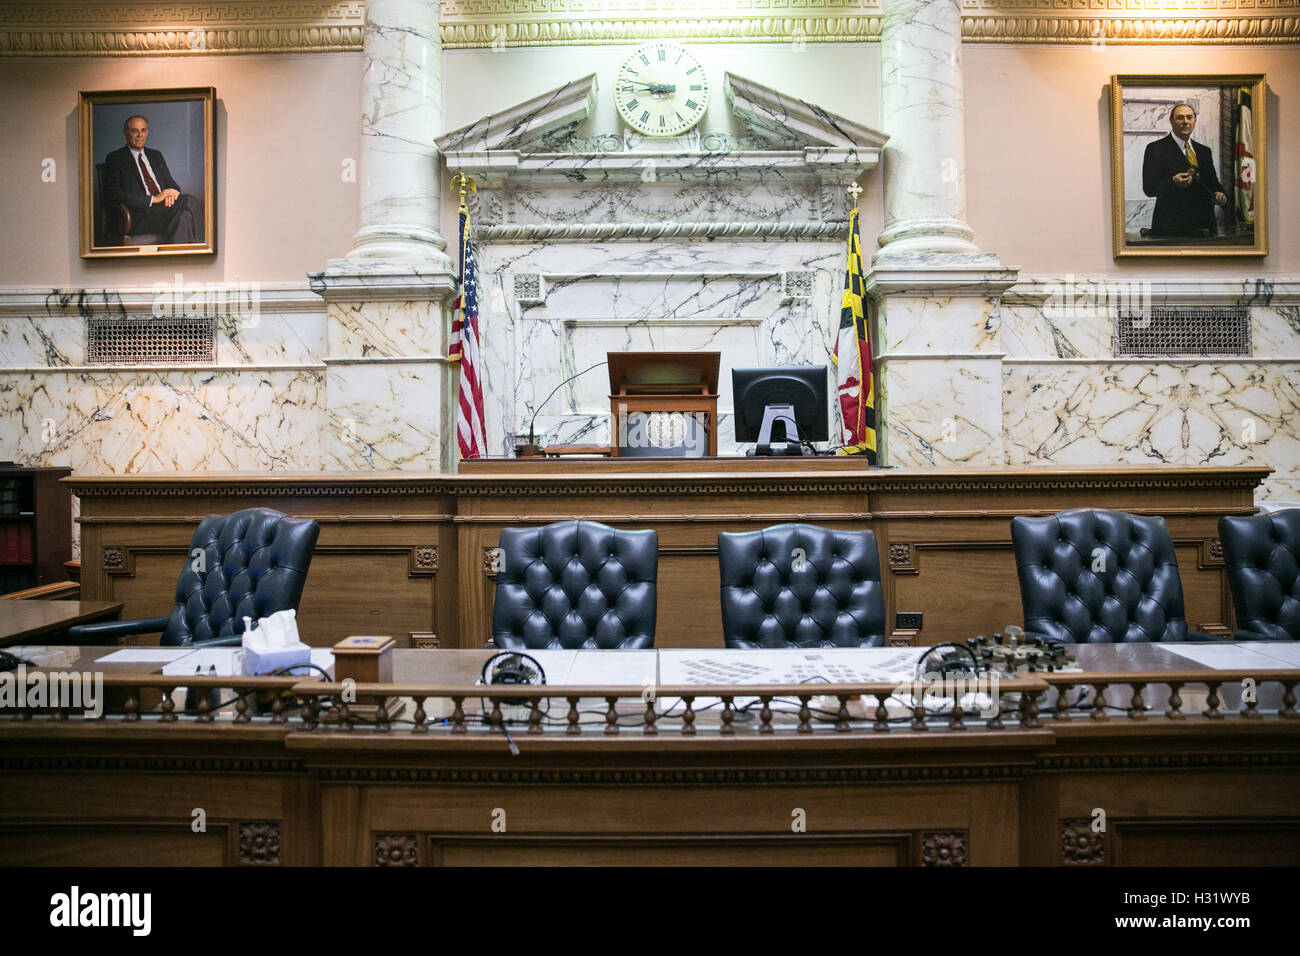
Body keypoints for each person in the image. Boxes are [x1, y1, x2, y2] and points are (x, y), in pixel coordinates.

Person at [100, 115, 202, 244]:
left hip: (164, 209)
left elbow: (172, 184)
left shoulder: (155, 156)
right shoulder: (115, 158)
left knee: (184, 216)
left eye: (143, 130)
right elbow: (113, 195)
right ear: (125, 133)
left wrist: (170, 194)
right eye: (134, 131)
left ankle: (175, 259)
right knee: (188, 200)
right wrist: (154, 199)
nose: (139, 135)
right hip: (138, 216)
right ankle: (203, 245)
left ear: (147, 132)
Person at [1141, 103, 1228, 239]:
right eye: (1180, 118)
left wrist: (1221, 196)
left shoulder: (1204, 151)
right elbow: (1149, 188)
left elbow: (1213, 184)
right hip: (1171, 229)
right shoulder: (1156, 149)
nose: (1185, 122)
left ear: (1195, 120)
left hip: (1205, 228)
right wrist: (1173, 182)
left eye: (1189, 117)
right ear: (1171, 121)